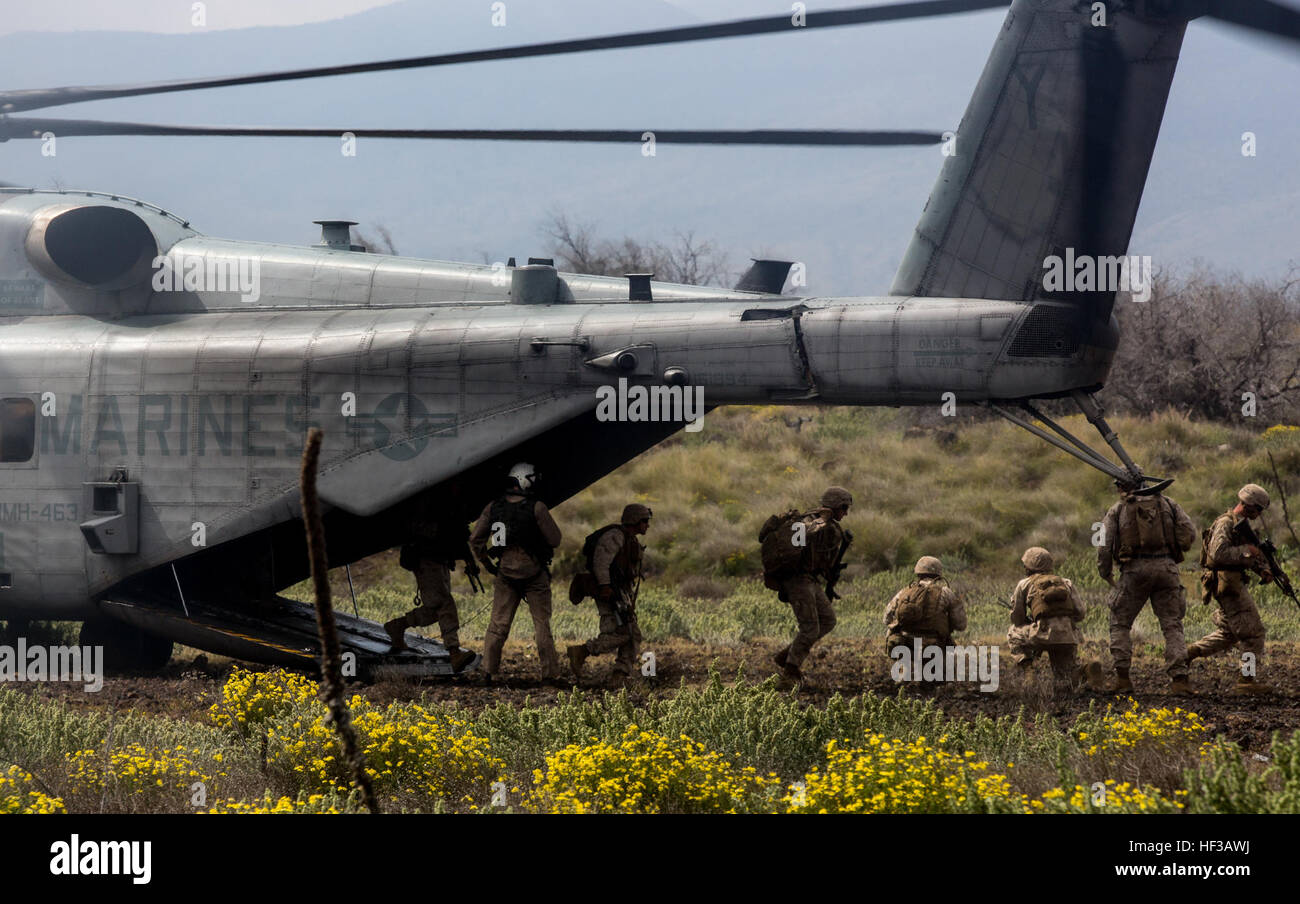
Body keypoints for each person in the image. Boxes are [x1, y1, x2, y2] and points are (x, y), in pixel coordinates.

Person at [1097, 483, 1197, 693]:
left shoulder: (1118, 509)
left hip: (1135, 570)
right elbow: (1189, 533)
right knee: (1172, 624)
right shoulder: (1169, 503)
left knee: (1120, 623)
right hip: (1167, 569)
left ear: (1122, 485)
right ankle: (1180, 680)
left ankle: (1123, 680)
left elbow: (1104, 544)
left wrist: (1105, 572)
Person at [469, 462, 563, 685]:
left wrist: (486, 563)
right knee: (542, 624)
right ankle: (549, 674)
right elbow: (555, 540)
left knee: (498, 624)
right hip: (534, 573)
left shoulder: (493, 507)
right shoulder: (537, 507)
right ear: (525, 481)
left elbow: (475, 539)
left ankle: (488, 671)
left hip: (505, 571)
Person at [1186, 484, 1275, 695]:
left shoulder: (1240, 525)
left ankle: (1186, 654)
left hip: (1231, 584)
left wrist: (1261, 569)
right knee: (1253, 634)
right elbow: (1218, 554)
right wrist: (1248, 551)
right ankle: (1247, 680)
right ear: (1250, 507)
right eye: (1258, 510)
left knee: (1229, 633)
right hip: (1228, 586)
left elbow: (1242, 556)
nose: (1259, 514)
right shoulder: (1226, 523)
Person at [767, 486, 852, 685]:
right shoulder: (809, 521)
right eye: (844, 508)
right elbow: (798, 541)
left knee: (828, 620)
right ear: (834, 505)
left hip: (810, 580)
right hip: (797, 580)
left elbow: (823, 558)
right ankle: (790, 671)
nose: (846, 513)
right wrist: (821, 521)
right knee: (810, 628)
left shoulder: (831, 527)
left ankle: (787, 655)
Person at [383, 493, 478, 672]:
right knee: (444, 603)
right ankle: (454, 652)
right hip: (427, 559)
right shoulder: (429, 501)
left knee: (435, 610)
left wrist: (469, 560)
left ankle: (397, 626)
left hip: (439, 560)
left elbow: (459, 533)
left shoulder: (449, 503)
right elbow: (419, 528)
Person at [568, 504, 651, 683]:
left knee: (632, 634)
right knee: (622, 633)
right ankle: (582, 651)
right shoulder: (614, 537)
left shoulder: (630, 540)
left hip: (620, 592)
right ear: (635, 520)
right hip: (610, 593)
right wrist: (605, 586)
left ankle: (619, 675)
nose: (647, 525)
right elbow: (600, 562)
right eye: (644, 521)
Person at [1007, 547, 1101, 695]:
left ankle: (1029, 671)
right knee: (1064, 682)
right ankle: (1085, 670)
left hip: (1041, 634)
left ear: (1029, 566)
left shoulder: (1024, 584)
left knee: (1013, 632)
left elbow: (1017, 618)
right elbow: (1081, 613)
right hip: (1067, 636)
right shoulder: (1065, 583)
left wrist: (1032, 620)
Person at [884, 556, 966, 655]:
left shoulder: (904, 592)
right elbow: (960, 625)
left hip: (906, 647)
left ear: (918, 573)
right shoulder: (945, 593)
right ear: (938, 574)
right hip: (934, 648)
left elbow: (886, 619)